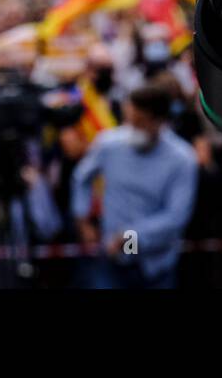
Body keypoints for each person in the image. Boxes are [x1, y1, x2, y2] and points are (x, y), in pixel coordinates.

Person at [71, 83, 198, 288]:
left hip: (155, 267)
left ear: (160, 121)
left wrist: (129, 237)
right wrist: (83, 219)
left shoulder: (181, 160)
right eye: (130, 120)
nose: (133, 128)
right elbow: (81, 178)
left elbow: (176, 216)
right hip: (112, 264)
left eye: (141, 122)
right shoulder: (109, 145)